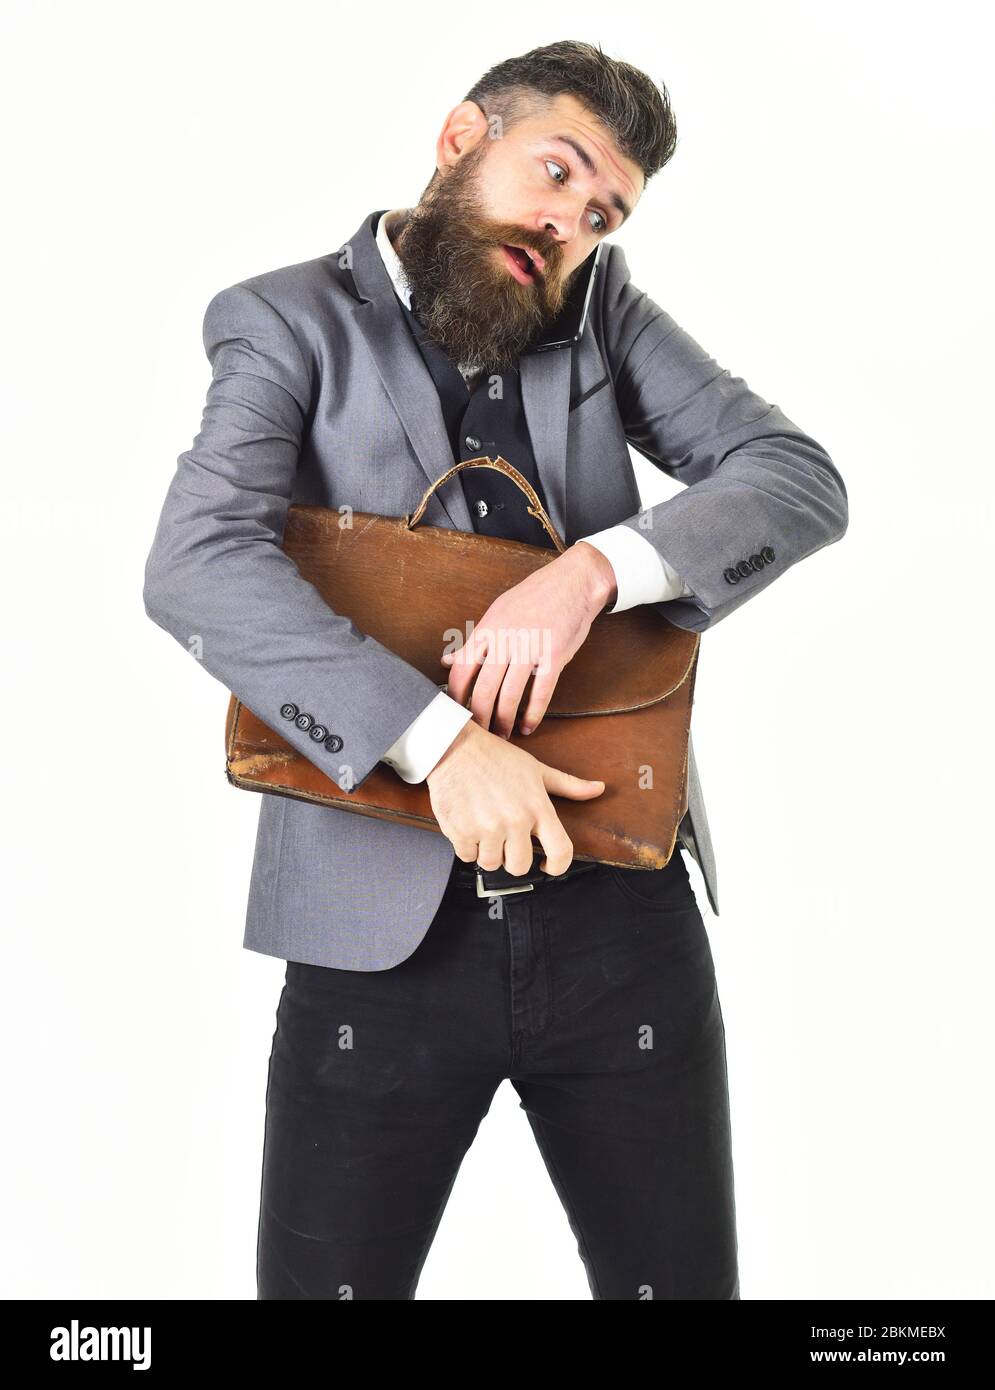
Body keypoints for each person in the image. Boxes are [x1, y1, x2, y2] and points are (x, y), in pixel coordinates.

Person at [143, 40, 848, 1299]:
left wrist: (591, 572)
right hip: (375, 937)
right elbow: (196, 565)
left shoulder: (601, 315)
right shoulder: (285, 319)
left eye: (599, 213)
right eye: (555, 173)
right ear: (460, 136)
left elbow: (795, 480)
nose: (567, 225)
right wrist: (440, 742)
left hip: (621, 912)